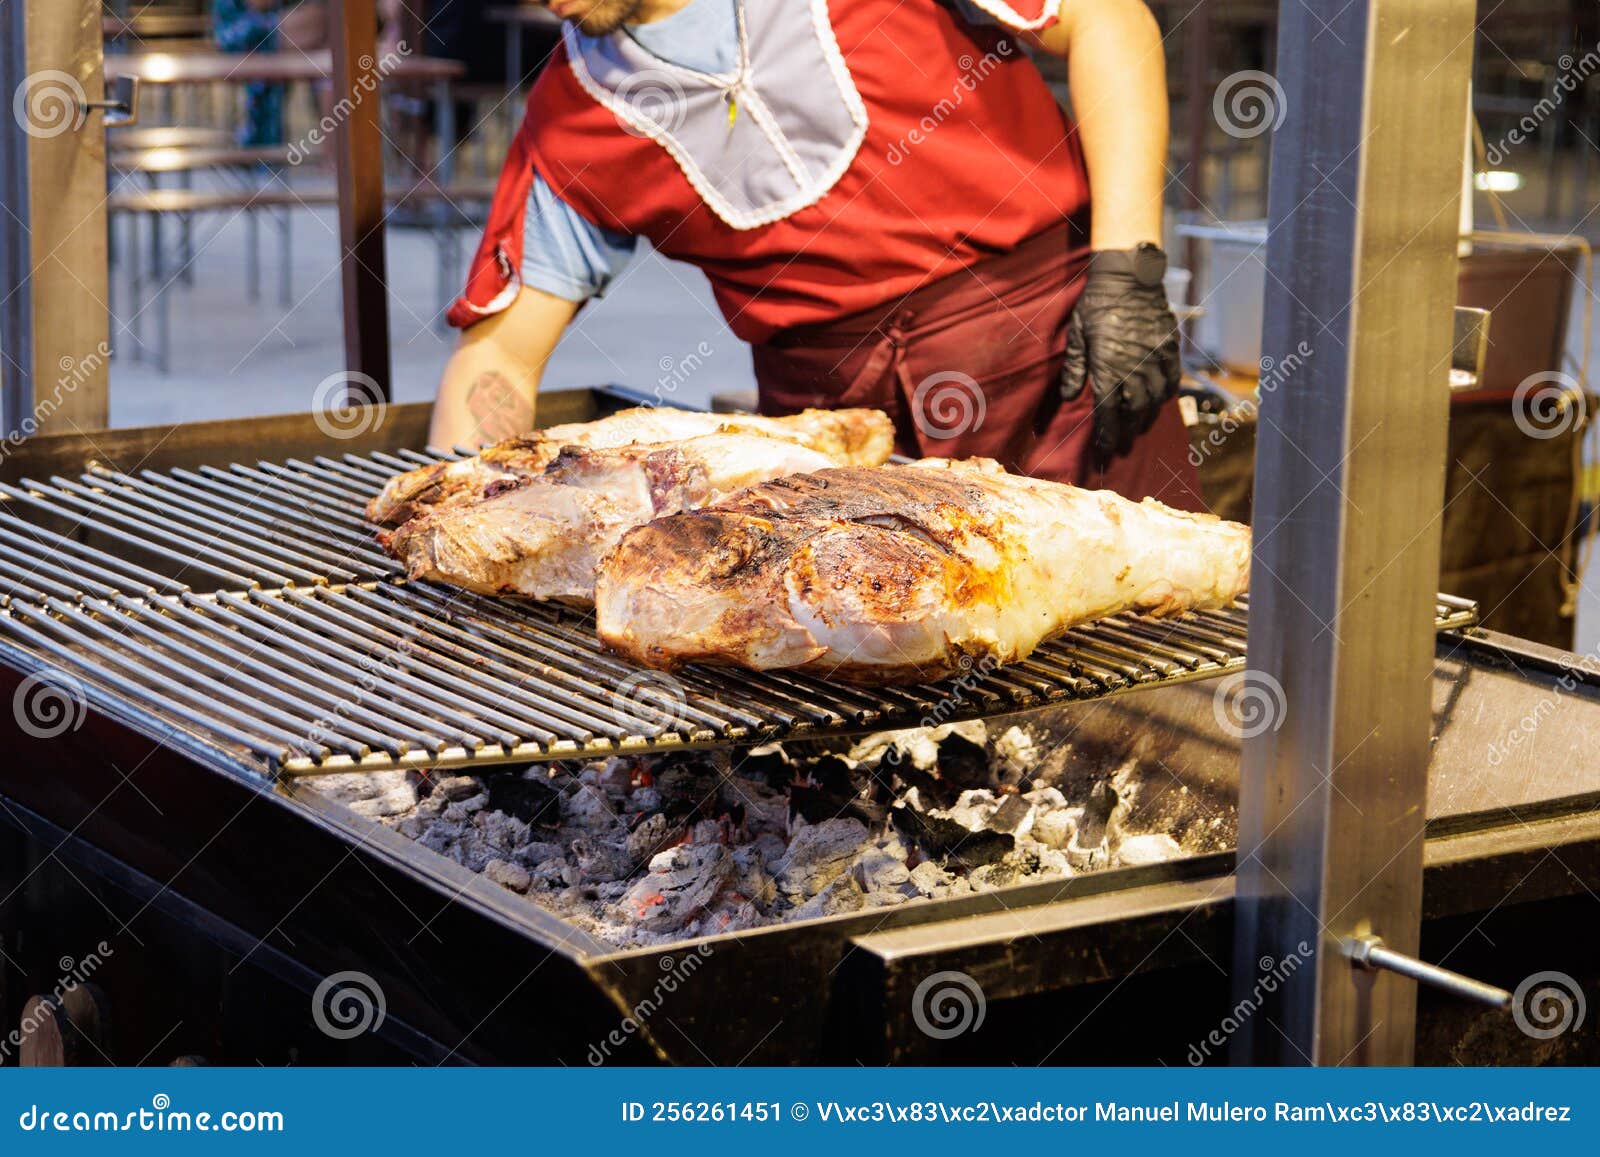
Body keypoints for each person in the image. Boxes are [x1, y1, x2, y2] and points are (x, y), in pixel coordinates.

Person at [433, 0, 1201, 509]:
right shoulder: (572, 116)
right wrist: (457, 511)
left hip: (1063, 361)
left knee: (1140, 656)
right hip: (840, 442)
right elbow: (500, 358)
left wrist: (1128, 272)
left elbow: (1107, 20)